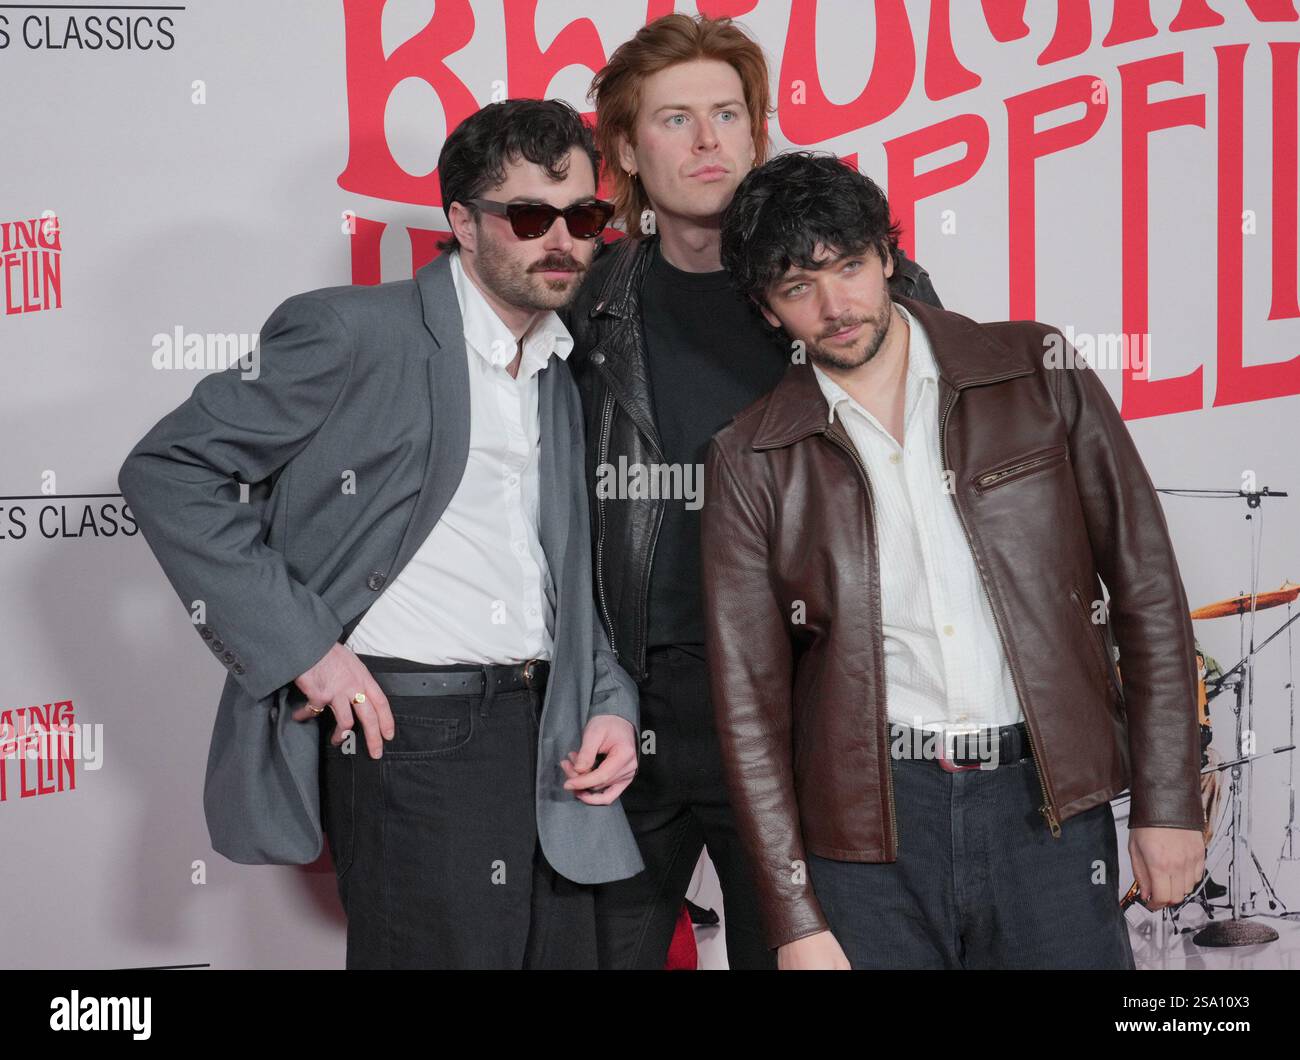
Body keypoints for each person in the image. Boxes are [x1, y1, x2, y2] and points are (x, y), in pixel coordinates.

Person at [117, 99, 643, 969]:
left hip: (552, 739)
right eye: (528, 215)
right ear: (462, 224)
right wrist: (306, 649)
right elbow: (168, 471)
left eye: (584, 216)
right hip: (418, 737)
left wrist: (609, 703)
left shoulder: (563, 365)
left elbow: (557, 575)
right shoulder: (352, 332)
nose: (562, 239)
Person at [700, 150, 1206, 970]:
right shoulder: (752, 456)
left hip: (1045, 807)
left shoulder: (1035, 370)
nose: (836, 307)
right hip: (867, 834)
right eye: (798, 287)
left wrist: (1170, 801)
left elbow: (1146, 587)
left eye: (850, 267)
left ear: (888, 256)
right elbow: (749, 707)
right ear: (766, 309)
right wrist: (793, 915)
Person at [563, 12, 944, 970]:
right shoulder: (583, 302)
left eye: (728, 114)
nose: (707, 142)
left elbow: (931, 485)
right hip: (625, 703)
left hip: (800, 705)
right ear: (625, 149)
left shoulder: (854, 297)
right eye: (676, 120)